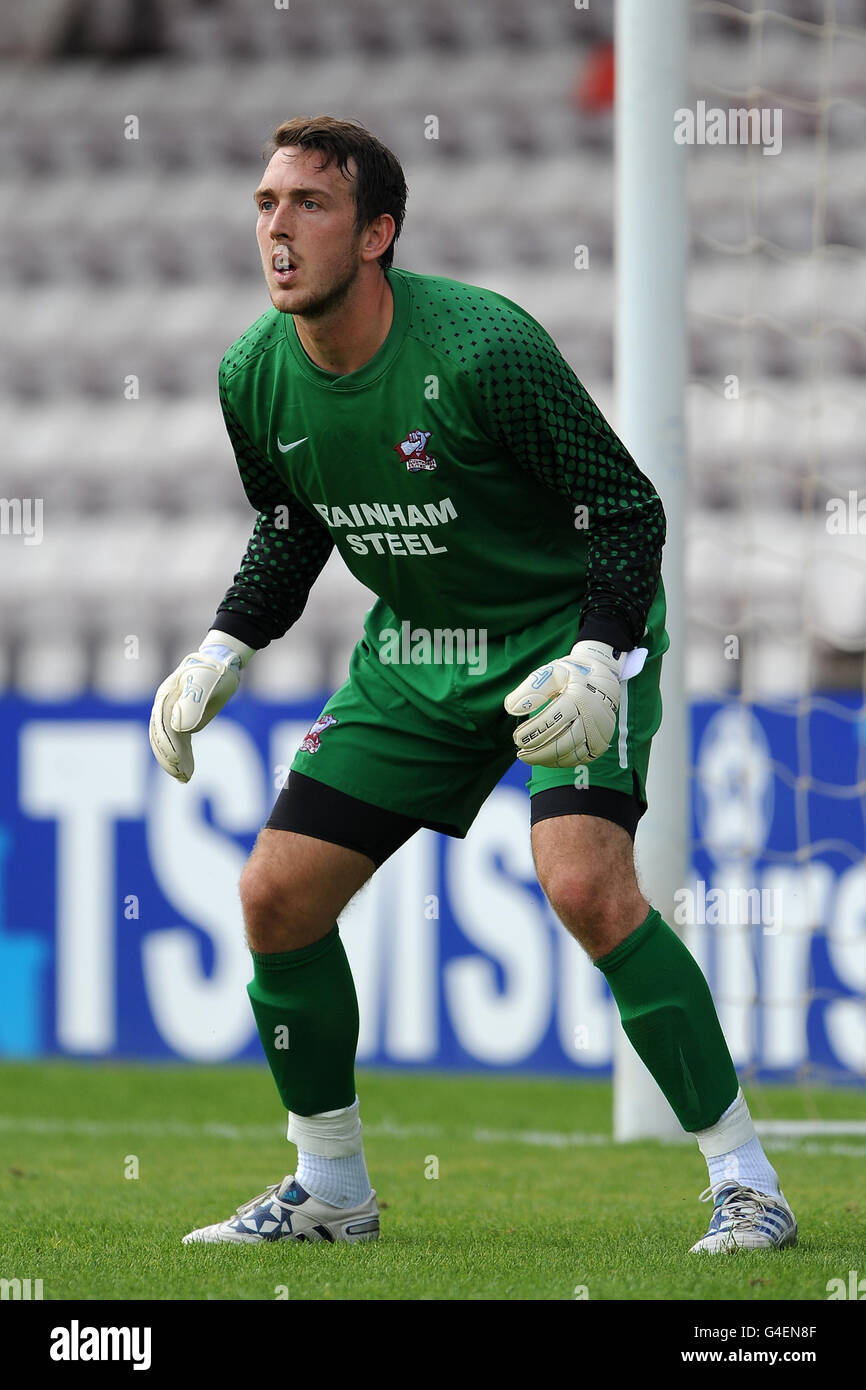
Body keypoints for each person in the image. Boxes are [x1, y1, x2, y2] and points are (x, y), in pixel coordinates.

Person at [149, 115, 796, 1254]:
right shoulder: (252, 374)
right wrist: (223, 646)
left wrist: (600, 647)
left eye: (309, 204)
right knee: (273, 898)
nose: (278, 229)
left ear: (378, 232)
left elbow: (624, 508)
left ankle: (746, 1183)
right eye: (264, 203)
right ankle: (331, 1189)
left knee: (584, 886)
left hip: (559, 635)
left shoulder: (483, 347)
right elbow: (295, 522)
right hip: (419, 650)